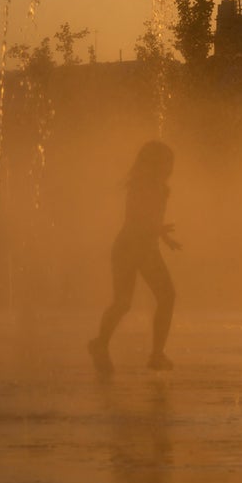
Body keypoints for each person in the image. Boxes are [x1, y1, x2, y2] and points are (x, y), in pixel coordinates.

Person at [89, 140, 180, 375]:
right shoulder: (140, 186)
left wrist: (163, 237)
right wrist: (158, 231)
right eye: (165, 161)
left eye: (171, 162)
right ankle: (101, 344)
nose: (169, 167)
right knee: (124, 302)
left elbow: (152, 220)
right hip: (129, 247)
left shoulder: (163, 188)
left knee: (165, 297)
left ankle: (155, 354)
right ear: (152, 163)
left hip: (146, 247)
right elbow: (135, 219)